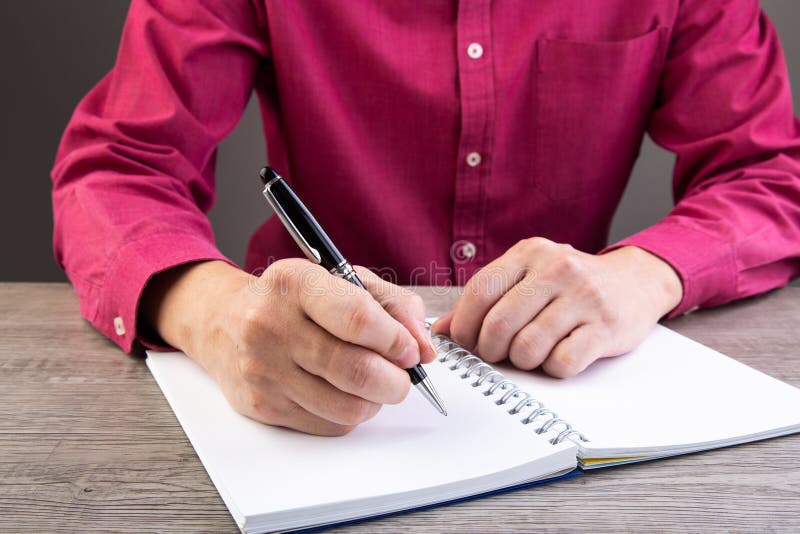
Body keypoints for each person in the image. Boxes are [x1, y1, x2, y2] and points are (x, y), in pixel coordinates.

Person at [52, 1, 800, 436]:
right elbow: (118, 166)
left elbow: (770, 170)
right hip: (297, 368)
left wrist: (648, 274)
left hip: (570, 385)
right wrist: (213, 311)